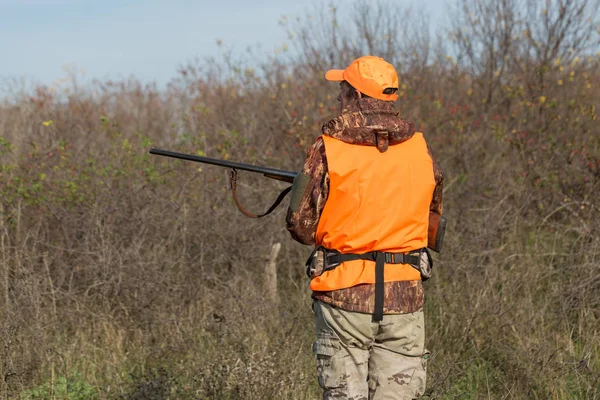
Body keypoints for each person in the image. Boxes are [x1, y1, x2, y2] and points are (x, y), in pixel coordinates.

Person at [285, 55, 444, 399]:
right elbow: (433, 215)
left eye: (342, 92)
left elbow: (300, 227)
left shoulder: (329, 147)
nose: (338, 100)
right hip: (405, 300)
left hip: (344, 298)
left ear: (356, 96)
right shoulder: (420, 148)